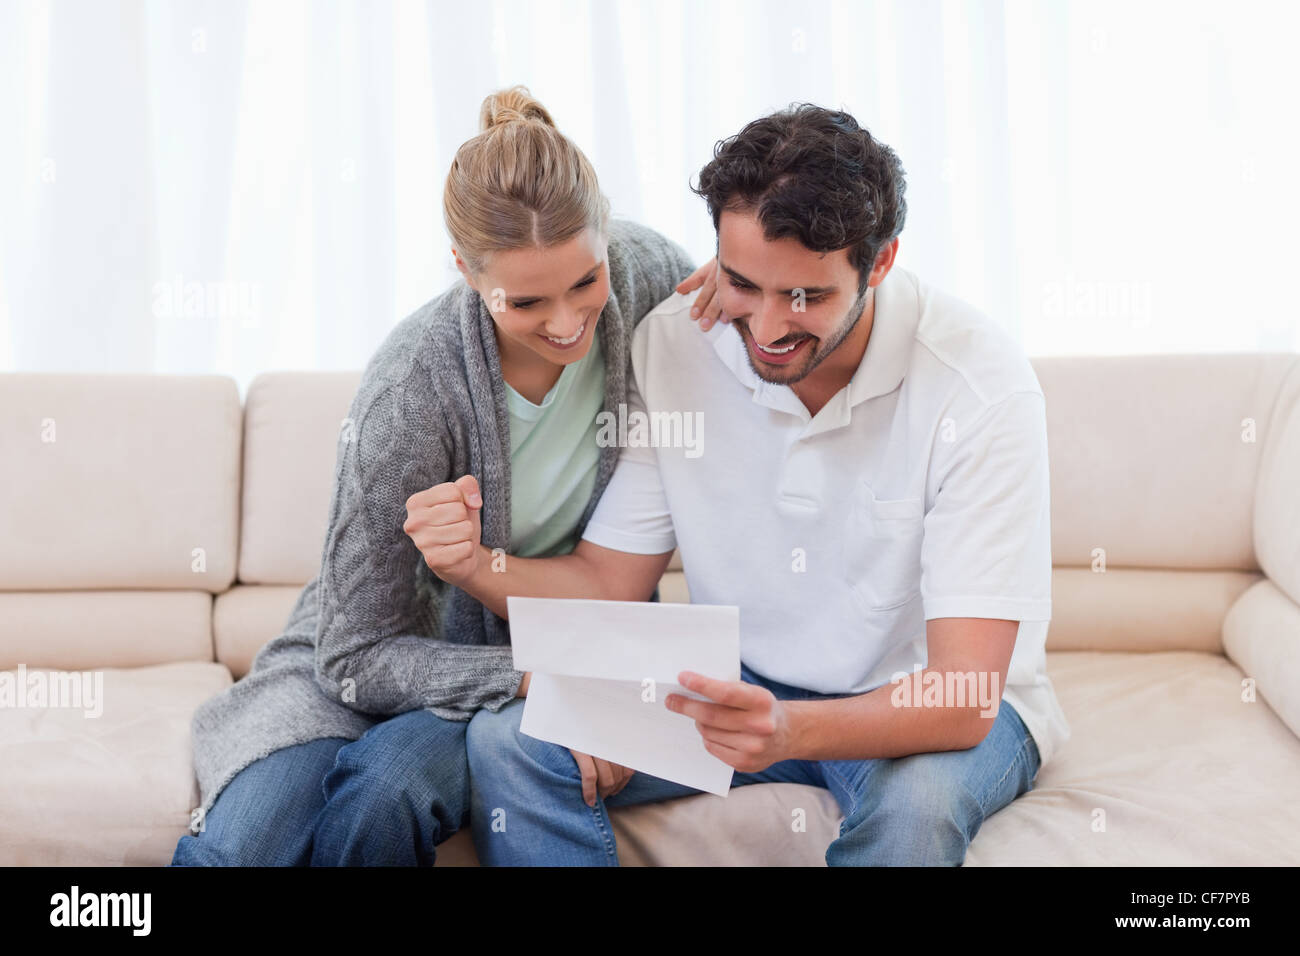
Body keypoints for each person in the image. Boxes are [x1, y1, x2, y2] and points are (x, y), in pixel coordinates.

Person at [416, 103, 1071, 866]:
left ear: (881, 262)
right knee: (513, 741)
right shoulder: (677, 344)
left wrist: (789, 729)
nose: (765, 328)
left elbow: (963, 693)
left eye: (807, 297)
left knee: (915, 814)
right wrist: (472, 565)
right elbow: (604, 581)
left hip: (918, 699)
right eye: (743, 283)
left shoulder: (977, 385)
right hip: (744, 678)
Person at [171, 86, 716, 866]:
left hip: (514, 681)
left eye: (584, 283)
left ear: (606, 242)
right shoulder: (410, 395)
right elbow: (355, 656)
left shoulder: (642, 272)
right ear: (464, 268)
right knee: (237, 853)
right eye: (526, 301)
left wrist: (745, 291)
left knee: (381, 797)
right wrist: (535, 675)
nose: (567, 322)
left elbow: (741, 322)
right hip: (370, 668)